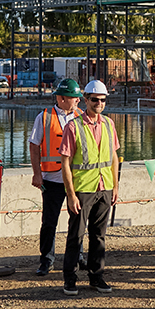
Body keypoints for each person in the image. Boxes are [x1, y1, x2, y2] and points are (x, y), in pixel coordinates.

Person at [60, 78, 119, 296]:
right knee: (76, 235)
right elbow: (65, 161)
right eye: (95, 99)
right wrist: (71, 194)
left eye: (103, 100)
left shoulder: (109, 124)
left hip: (104, 187)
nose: (99, 103)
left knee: (99, 236)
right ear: (86, 100)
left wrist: (115, 186)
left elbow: (113, 157)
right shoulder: (73, 126)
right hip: (83, 189)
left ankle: (97, 277)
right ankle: (70, 279)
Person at [28, 78, 82, 275]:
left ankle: (78, 256)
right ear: (61, 98)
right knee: (49, 222)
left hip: (76, 180)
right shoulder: (44, 117)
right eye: (74, 97)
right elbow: (34, 145)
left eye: (78, 98)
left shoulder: (81, 116)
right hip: (52, 179)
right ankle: (46, 260)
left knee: (78, 221)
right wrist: (37, 174)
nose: (78, 101)